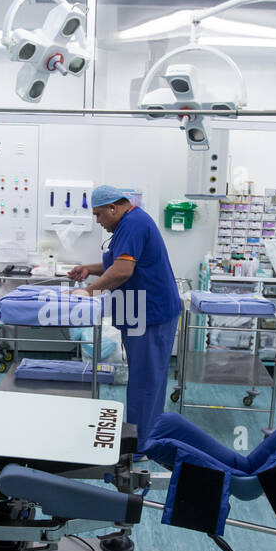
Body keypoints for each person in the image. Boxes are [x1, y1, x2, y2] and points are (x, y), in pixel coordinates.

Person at [69, 186, 181, 448]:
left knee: (146, 380)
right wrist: (89, 269)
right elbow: (117, 263)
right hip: (139, 310)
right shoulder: (128, 223)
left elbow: (122, 271)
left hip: (150, 313)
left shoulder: (133, 224)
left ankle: (143, 443)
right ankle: (145, 434)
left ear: (112, 208)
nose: (98, 221)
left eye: (99, 215)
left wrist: (89, 290)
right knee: (145, 377)